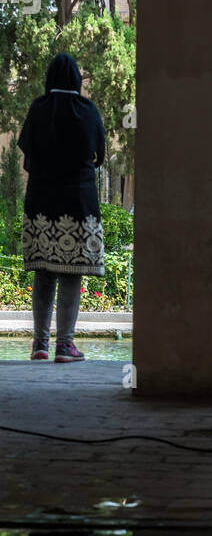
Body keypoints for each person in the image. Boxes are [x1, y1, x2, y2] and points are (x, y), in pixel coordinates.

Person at [17, 53, 106, 362]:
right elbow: (99, 156)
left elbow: (26, 152)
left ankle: (39, 344)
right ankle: (64, 346)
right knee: (72, 273)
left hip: (41, 203)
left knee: (43, 272)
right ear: (77, 81)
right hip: (78, 205)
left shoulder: (38, 109)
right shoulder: (87, 110)